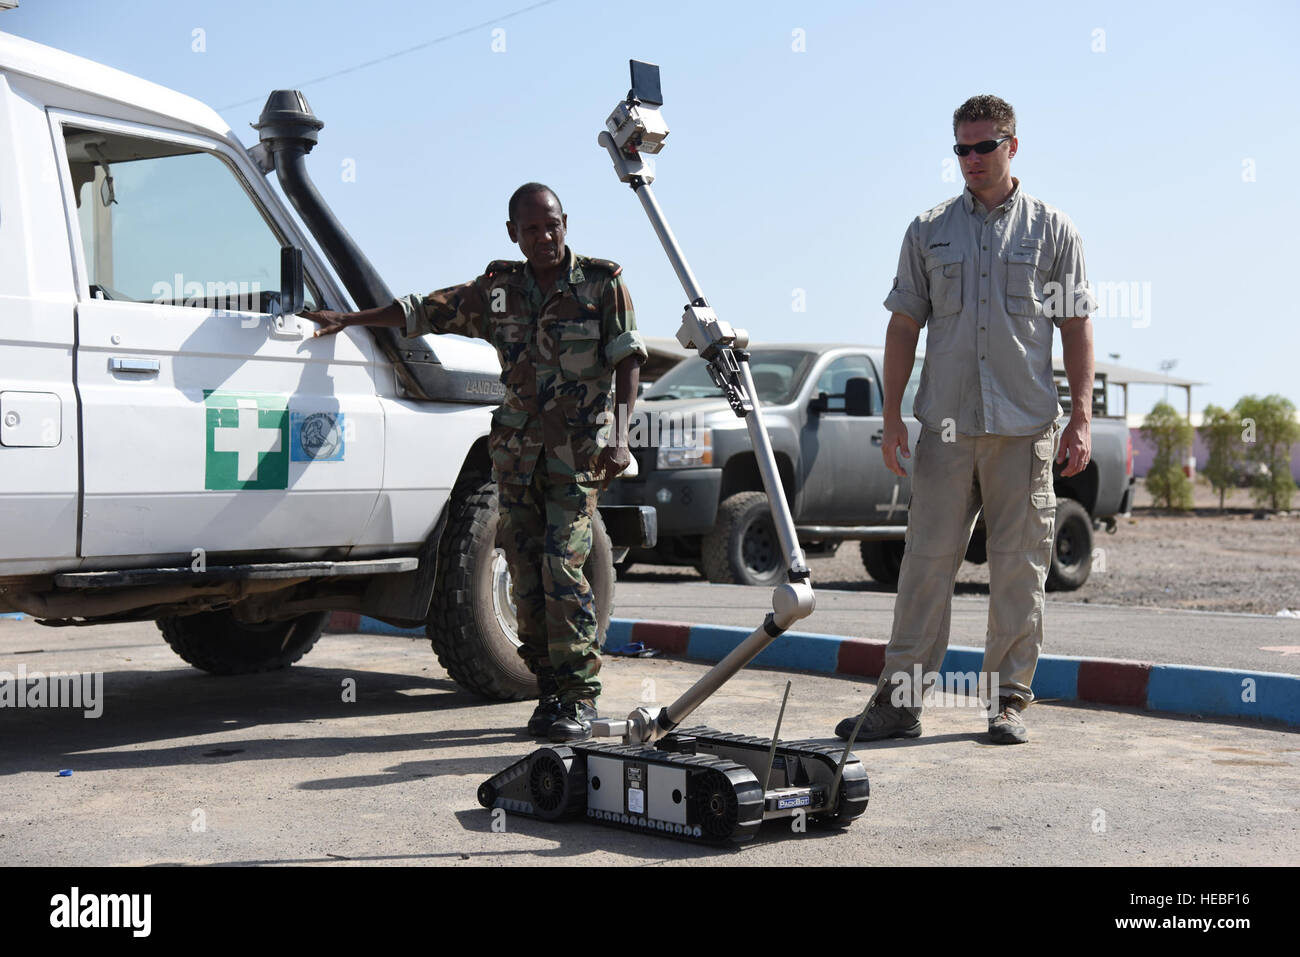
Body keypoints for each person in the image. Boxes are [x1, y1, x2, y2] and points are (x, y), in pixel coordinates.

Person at [304, 183, 647, 743]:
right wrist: (349, 317)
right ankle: (550, 690)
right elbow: (424, 312)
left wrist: (621, 434)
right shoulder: (498, 292)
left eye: (553, 224)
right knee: (526, 578)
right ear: (514, 234)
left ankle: (580, 696)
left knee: (564, 566)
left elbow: (628, 359)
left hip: (575, 458)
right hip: (515, 458)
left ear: (567, 223)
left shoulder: (601, 285)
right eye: (532, 229)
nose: (545, 237)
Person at [835, 95, 1094, 745]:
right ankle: (899, 703)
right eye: (961, 148)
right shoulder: (928, 230)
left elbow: (1075, 327)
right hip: (945, 432)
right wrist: (892, 416)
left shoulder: (1052, 231)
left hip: (1023, 430)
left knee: (1017, 568)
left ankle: (1006, 701)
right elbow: (903, 326)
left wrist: (1081, 415)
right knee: (924, 565)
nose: (972, 159)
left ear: (1013, 145)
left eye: (984, 146)